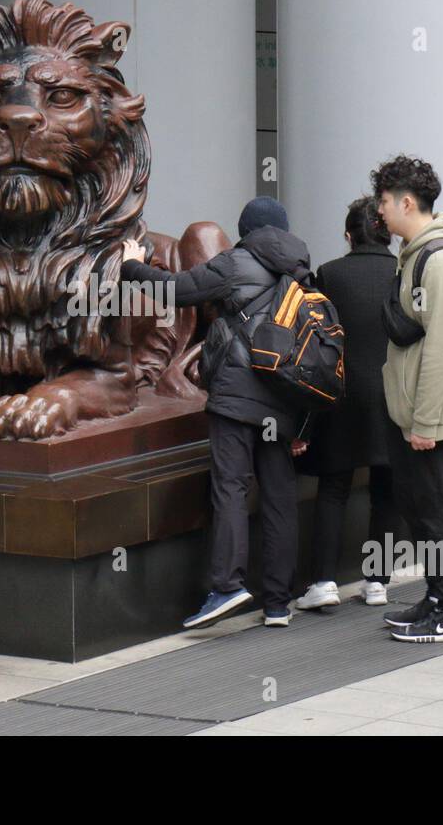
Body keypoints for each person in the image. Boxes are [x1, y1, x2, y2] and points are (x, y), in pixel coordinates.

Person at [121, 197, 312, 629]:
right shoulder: (301, 270)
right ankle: (279, 602)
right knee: (280, 496)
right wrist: (304, 421)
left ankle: (228, 585)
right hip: (281, 399)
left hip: (237, 396)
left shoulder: (236, 263)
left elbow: (177, 289)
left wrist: (132, 266)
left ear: (245, 230)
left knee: (230, 487)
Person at [373, 156, 443, 642]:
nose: (379, 212)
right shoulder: (413, 253)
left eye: (384, 202)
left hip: (434, 415)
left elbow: (442, 346)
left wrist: (425, 421)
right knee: (420, 508)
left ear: (406, 202)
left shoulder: (441, 261)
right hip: (413, 412)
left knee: (440, 512)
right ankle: (437, 596)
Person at [295, 196, 399, 609]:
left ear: (348, 235)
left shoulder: (330, 274)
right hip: (393, 394)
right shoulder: (403, 272)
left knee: (333, 488)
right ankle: (377, 582)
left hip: (339, 395)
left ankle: (323, 581)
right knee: (386, 491)